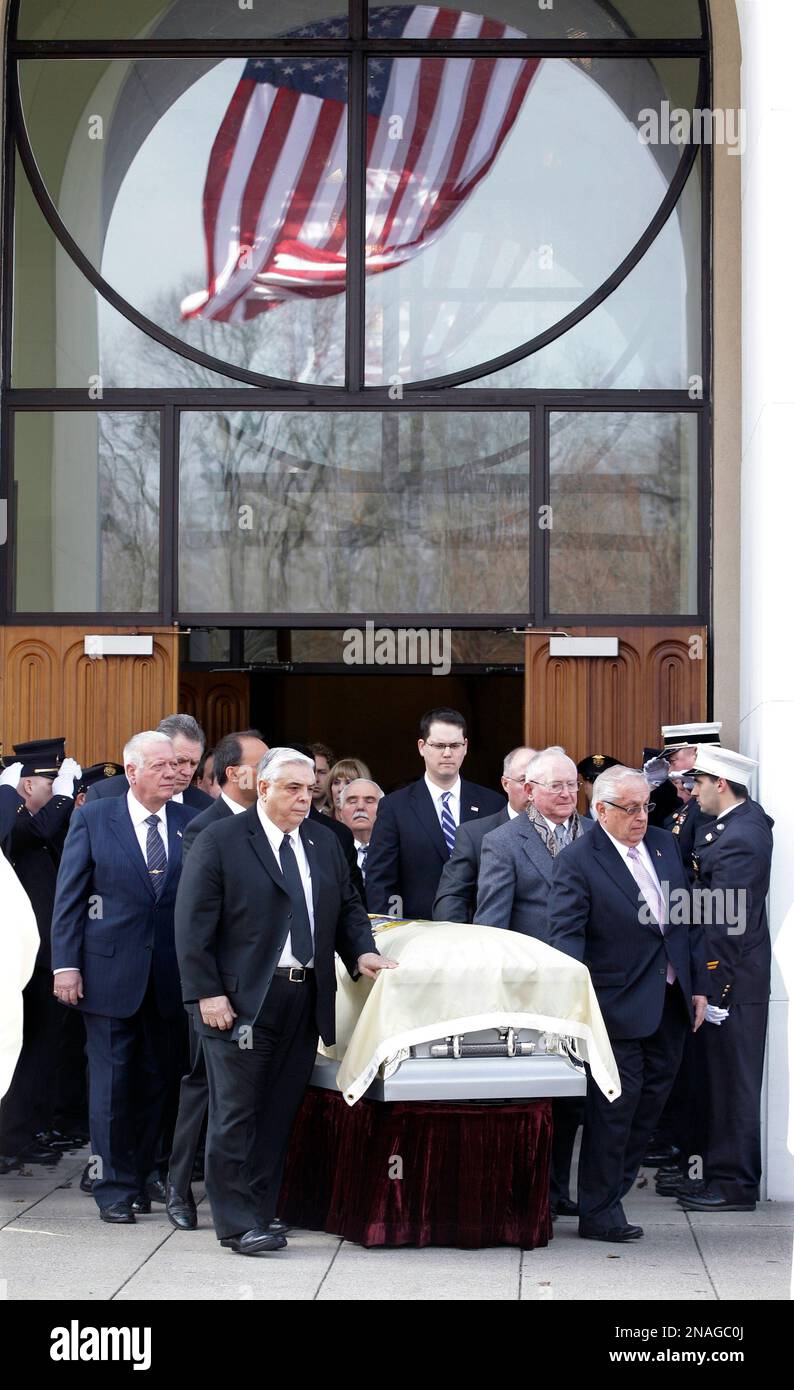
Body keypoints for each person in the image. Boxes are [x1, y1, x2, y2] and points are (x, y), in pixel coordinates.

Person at [174, 747, 396, 1256]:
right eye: (293, 789)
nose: (304, 798)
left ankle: (261, 1211)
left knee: (278, 1111)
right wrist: (208, 993)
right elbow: (191, 927)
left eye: (309, 791)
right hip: (240, 999)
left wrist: (362, 951)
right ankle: (234, 1224)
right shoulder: (221, 840)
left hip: (305, 995)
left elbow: (347, 905)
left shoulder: (322, 841)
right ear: (263, 787)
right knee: (235, 1111)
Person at [547, 765, 708, 1243]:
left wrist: (697, 986)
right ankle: (599, 1211)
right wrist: (576, 1008)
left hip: (670, 1001)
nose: (642, 816)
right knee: (615, 1109)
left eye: (647, 806)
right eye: (630, 808)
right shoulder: (579, 859)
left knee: (649, 1108)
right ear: (600, 810)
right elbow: (566, 938)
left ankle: (609, 1196)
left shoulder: (662, 844)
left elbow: (684, 920)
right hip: (614, 1006)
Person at [50, 731, 194, 1224]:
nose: (172, 773)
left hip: (170, 977)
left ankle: (147, 1174)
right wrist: (65, 964)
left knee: (158, 1081)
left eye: (176, 765)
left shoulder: (190, 823)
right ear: (132, 772)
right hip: (106, 974)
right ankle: (113, 1186)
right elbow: (70, 895)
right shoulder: (94, 817)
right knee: (111, 1085)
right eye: (160, 766)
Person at [473, 747, 593, 1218]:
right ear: (529, 790)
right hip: (533, 990)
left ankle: (560, 1187)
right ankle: (524, 1190)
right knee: (532, 1091)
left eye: (571, 785)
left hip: (590, 985)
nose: (566, 793)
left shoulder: (596, 834)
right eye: (554, 786)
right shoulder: (504, 842)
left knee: (576, 1096)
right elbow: (492, 926)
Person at [165, 729, 269, 1230]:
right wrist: (209, 990)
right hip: (216, 986)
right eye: (262, 764)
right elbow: (196, 919)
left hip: (266, 981)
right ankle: (179, 1187)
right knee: (204, 1085)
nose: (271, 774)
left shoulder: (274, 823)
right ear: (235, 773)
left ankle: (246, 1189)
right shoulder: (203, 829)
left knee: (242, 1091)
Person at [674, 746, 773, 1214]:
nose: (692, 793)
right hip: (726, 975)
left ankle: (735, 1184)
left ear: (721, 784)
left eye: (698, 784)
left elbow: (726, 920)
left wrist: (713, 989)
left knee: (733, 1086)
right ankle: (715, 1173)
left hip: (732, 981)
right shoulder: (729, 826)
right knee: (715, 1082)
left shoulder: (742, 836)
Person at [0, 741, 82, 1169]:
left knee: (43, 1050)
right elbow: (37, 830)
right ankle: (9, 1138)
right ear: (26, 784)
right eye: (49, 782)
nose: (57, 791)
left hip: (46, 954)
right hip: (20, 960)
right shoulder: (14, 824)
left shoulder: (40, 821)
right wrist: (63, 798)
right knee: (20, 1047)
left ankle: (25, 1131)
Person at [365, 708, 504, 920]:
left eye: (455, 745)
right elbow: (381, 880)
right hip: (418, 930)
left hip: (481, 928)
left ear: (465, 747)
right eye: (439, 745)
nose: (447, 753)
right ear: (422, 747)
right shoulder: (395, 807)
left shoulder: (492, 803)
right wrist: (390, 928)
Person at [432, 746, 536, 923]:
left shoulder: (569, 830)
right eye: (523, 780)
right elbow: (453, 898)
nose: (531, 789)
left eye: (539, 781)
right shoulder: (475, 834)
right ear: (505, 784)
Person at [85, 714, 213, 813]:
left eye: (193, 764)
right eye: (179, 762)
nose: (187, 772)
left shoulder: (207, 808)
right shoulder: (104, 794)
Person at [338, 778, 384, 884]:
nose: (360, 807)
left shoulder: (396, 849)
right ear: (340, 812)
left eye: (369, 801)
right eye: (352, 801)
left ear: (383, 810)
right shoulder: (331, 851)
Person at [577, 754, 619, 820]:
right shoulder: (577, 827)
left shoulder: (623, 825)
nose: (599, 785)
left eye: (605, 781)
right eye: (593, 780)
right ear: (585, 787)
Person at [309, 743, 335, 816]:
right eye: (312, 771)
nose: (315, 779)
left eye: (322, 772)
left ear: (331, 775)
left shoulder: (339, 816)